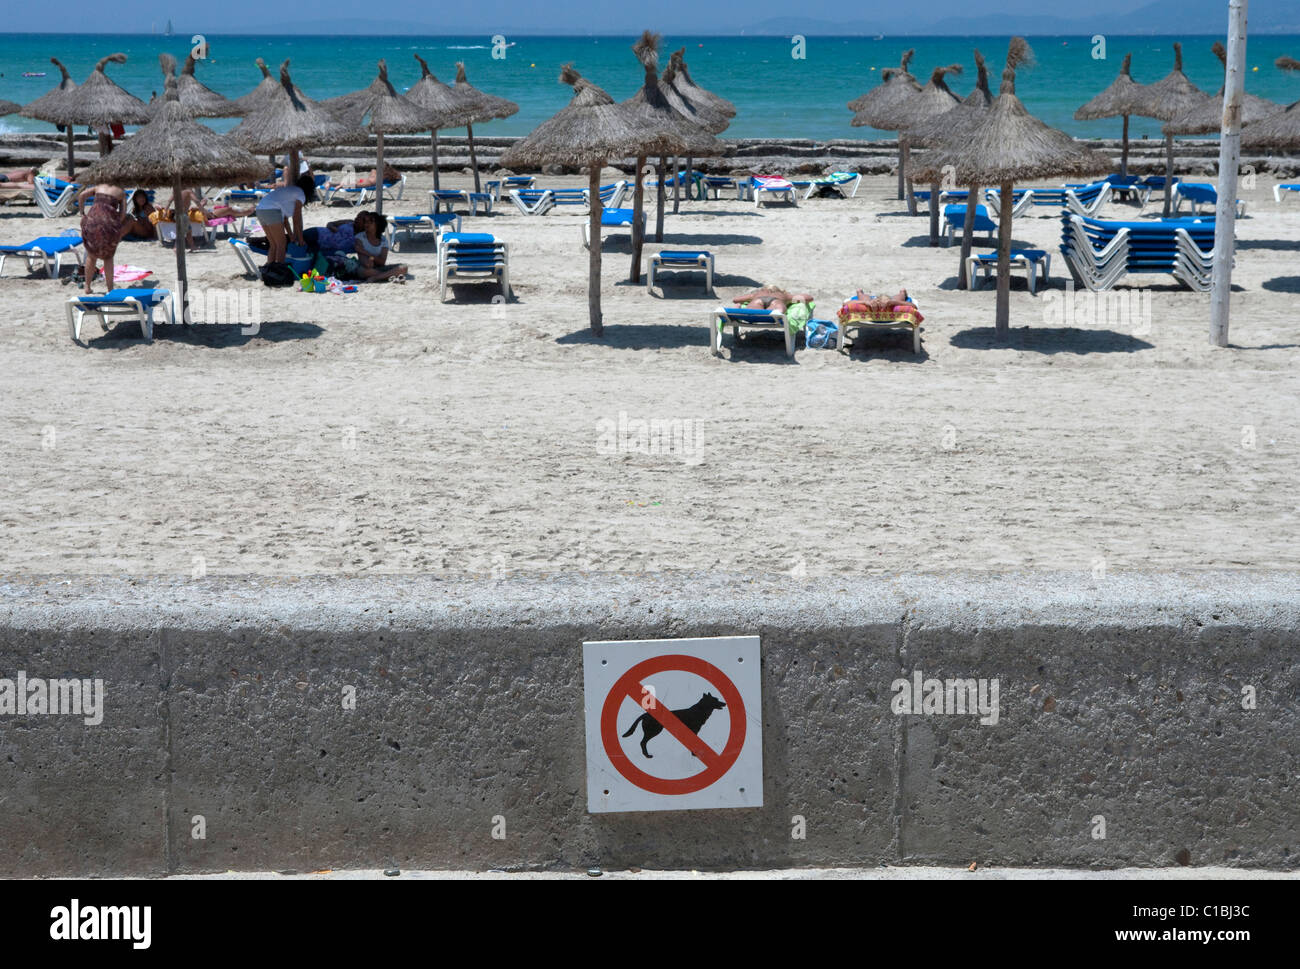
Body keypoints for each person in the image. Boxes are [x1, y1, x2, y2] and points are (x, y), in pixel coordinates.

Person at [76, 183, 126, 295]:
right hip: (109, 223)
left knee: (91, 255)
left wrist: (82, 212)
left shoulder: (98, 187)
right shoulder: (121, 192)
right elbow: (123, 214)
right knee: (108, 257)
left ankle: (87, 287)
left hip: (93, 220)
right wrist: (116, 222)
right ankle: (110, 289)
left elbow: (81, 196)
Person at [254, 174, 312, 264]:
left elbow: (285, 219)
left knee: (273, 244)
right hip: (271, 210)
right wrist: (300, 239)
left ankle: (270, 269)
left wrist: (291, 236)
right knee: (281, 244)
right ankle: (278, 269)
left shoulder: (290, 192)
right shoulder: (300, 194)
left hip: (260, 209)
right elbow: (296, 220)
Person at [352, 212, 407, 283]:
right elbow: (366, 264)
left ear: (377, 224)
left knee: (404, 267)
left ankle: (376, 278)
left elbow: (382, 262)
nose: (366, 224)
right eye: (365, 222)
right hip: (365, 268)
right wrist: (371, 260)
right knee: (367, 271)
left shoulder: (383, 240)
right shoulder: (360, 238)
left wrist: (366, 253)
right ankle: (389, 276)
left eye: (370, 221)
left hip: (379, 268)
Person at [733, 286, 814, 314]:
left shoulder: (757, 294)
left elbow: (735, 300)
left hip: (757, 300)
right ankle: (777, 311)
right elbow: (808, 298)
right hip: (776, 301)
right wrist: (790, 300)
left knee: (752, 311)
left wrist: (748, 299)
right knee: (779, 310)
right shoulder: (783, 294)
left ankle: (738, 309)